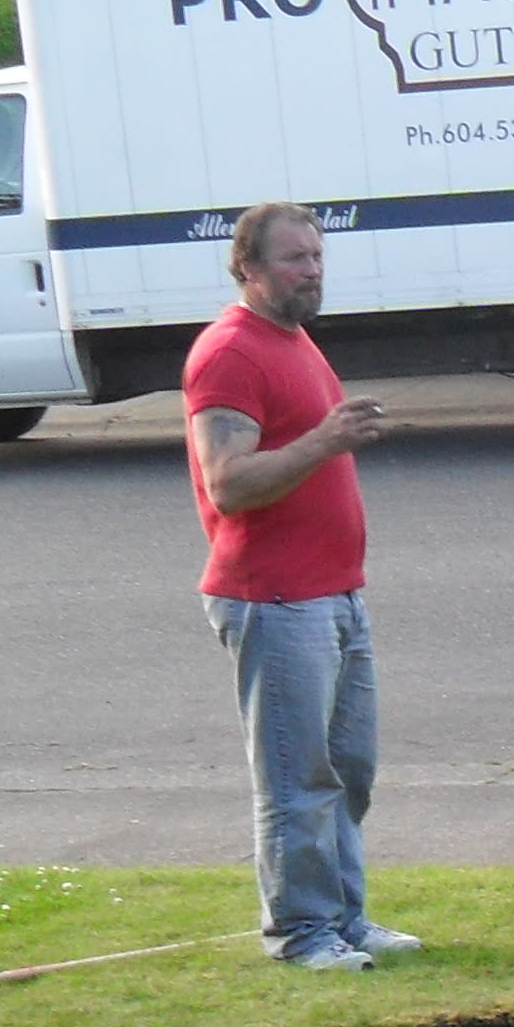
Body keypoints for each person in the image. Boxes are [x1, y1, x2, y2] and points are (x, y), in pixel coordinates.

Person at [184, 202, 411, 969]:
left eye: (316, 256)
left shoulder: (293, 339)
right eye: (294, 259)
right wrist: (325, 440)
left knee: (349, 772)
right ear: (248, 267)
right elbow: (229, 485)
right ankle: (301, 932)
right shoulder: (229, 354)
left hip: (335, 594)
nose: (311, 270)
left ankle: (345, 919)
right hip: (273, 601)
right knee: (297, 780)